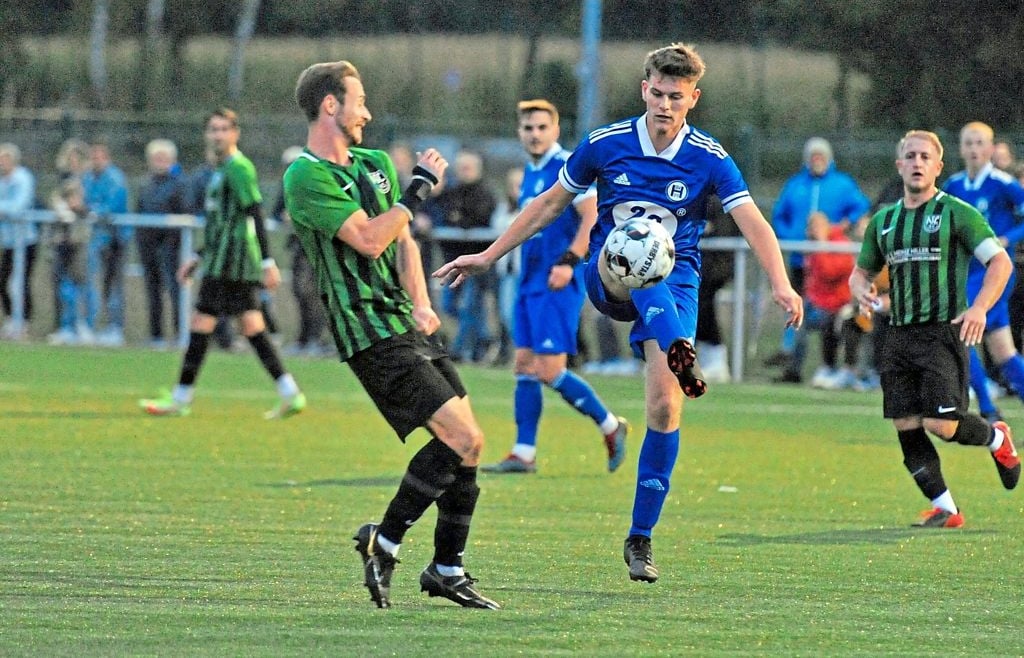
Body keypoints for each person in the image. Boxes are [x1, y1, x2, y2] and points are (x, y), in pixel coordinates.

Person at [435, 43, 802, 583]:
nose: (664, 104)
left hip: (677, 284)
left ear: (692, 99)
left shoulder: (710, 156)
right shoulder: (605, 144)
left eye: (676, 96)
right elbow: (548, 206)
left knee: (662, 409)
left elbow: (753, 223)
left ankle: (640, 538)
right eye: (656, 92)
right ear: (644, 89)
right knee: (639, 257)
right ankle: (681, 346)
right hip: (609, 275)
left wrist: (782, 283)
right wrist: (490, 255)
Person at [283, 61, 499, 610]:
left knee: (470, 445)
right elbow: (369, 239)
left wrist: (423, 305)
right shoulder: (305, 177)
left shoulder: (374, 163)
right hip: (368, 332)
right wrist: (417, 192)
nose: (367, 112)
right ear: (330, 106)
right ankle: (387, 539)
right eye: (359, 100)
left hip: (404, 322)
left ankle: (446, 567)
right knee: (460, 438)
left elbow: (403, 242)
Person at [849, 129, 1020, 529]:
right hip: (898, 335)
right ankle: (946, 508)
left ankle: (997, 438)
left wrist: (979, 308)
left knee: (942, 425)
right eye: (910, 156)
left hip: (943, 332)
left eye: (926, 156)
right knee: (906, 423)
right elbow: (861, 273)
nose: (917, 162)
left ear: (939, 167)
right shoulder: (885, 222)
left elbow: (1001, 263)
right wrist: (862, 292)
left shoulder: (957, 213)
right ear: (899, 165)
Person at [481, 99, 628, 475]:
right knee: (524, 364)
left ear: (556, 130)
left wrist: (569, 261)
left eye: (542, 127)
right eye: (528, 128)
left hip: (557, 280)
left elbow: (590, 214)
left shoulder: (566, 165)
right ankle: (523, 452)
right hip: (531, 281)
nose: (535, 134)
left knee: (548, 369)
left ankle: (610, 425)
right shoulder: (531, 172)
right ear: (520, 133)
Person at [139, 108, 306, 420]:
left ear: (235, 133)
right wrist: (198, 256)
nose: (217, 135)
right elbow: (220, 223)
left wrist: (268, 261)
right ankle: (289, 393)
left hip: (232, 264)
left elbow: (255, 212)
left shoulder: (239, 168)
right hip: (221, 261)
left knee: (203, 324)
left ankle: (180, 398)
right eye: (212, 129)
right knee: (251, 326)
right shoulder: (220, 170)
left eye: (223, 129)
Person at [767, 137, 870, 381]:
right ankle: (792, 364)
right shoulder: (795, 185)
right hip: (800, 262)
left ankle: (833, 366)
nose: (817, 160)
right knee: (794, 310)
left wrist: (837, 230)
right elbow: (779, 216)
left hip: (829, 262)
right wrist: (792, 237)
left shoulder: (842, 184)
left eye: (821, 156)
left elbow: (860, 207)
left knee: (827, 313)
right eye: (813, 156)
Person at [941, 122, 1024, 422]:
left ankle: (988, 409)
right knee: (1004, 352)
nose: (974, 149)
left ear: (990, 149)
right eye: (969, 143)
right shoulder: (954, 185)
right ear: (961, 149)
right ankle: (988, 408)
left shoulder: (1003, 184)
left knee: (957, 330)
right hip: (968, 273)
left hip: (994, 273)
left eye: (980, 143)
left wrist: (1007, 239)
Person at [435, 150, 498, 362]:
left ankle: (460, 351)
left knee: (469, 305)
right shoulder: (451, 192)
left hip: (475, 263)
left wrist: (459, 219)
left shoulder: (485, 193)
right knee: (450, 306)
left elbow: (477, 218)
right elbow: (443, 214)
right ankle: (485, 338)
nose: (463, 172)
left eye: (467, 167)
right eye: (460, 167)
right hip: (452, 261)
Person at [789, 211, 859, 389]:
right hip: (817, 301)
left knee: (831, 323)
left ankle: (832, 368)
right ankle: (793, 370)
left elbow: (830, 273)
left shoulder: (840, 245)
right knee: (797, 321)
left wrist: (820, 246)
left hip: (837, 303)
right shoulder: (813, 247)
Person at [276, 145, 331, 358]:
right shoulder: (287, 188)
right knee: (299, 292)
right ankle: (304, 338)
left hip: (317, 248)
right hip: (299, 247)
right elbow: (276, 212)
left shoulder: (315, 186)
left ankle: (315, 339)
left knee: (314, 293)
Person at [136, 139, 190, 349]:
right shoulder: (145, 184)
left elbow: (185, 211)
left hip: (172, 246)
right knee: (153, 290)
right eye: (156, 158)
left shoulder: (180, 183)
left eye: (163, 158)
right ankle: (156, 335)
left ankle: (180, 333)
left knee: (176, 290)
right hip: (148, 245)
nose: (160, 162)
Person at [81, 139, 129, 347]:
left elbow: (111, 206)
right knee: (95, 282)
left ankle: (115, 328)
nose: (95, 161)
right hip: (98, 239)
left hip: (116, 239)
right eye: (93, 158)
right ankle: (94, 326)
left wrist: (91, 211)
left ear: (107, 159)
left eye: (99, 158)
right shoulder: (88, 178)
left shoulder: (115, 178)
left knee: (114, 284)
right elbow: (84, 200)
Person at [46, 179, 92, 344]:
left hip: (78, 258)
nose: (73, 201)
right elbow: (52, 236)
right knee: (64, 293)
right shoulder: (60, 215)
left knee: (81, 293)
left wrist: (74, 216)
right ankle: (65, 328)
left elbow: (83, 236)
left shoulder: (85, 213)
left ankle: (83, 326)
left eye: (76, 197)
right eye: (69, 197)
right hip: (62, 256)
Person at [0, 142, 38, 340]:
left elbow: (18, 206)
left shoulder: (23, 178)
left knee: (21, 283)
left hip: (26, 240)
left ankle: (23, 322)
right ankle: (11, 319)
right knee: (3, 282)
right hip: (8, 241)